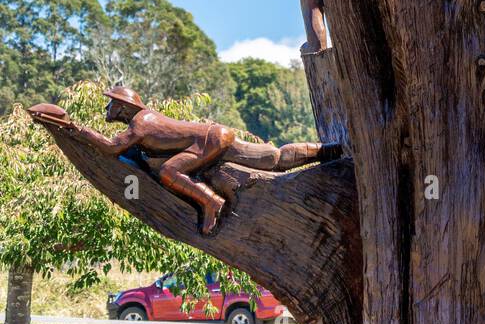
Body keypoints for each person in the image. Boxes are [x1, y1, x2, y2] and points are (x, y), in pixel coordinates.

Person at [30, 86, 342, 237]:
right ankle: (325, 150)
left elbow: (112, 148)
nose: (108, 108)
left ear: (124, 106)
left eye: (112, 103)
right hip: (216, 135)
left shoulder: (141, 123)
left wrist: (74, 128)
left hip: (208, 140)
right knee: (272, 159)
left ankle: (211, 203)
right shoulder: (144, 121)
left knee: (169, 170)